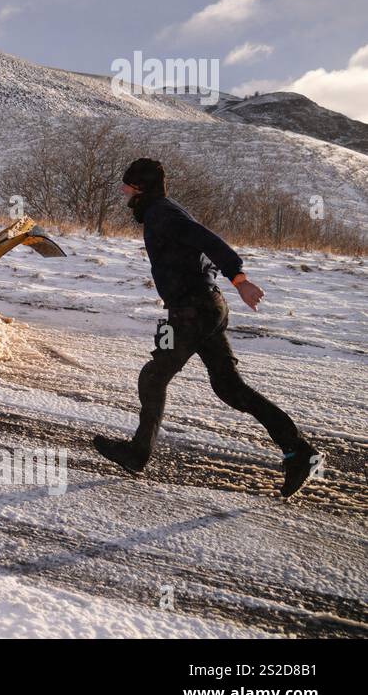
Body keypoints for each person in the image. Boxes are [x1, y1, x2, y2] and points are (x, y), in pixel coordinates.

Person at [93, 158, 321, 498]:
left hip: (193, 313)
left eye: (127, 185)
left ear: (140, 188)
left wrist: (239, 278)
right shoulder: (165, 210)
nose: (123, 191)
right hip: (201, 309)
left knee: (154, 375)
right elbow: (199, 252)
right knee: (229, 388)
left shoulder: (162, 214)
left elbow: (209, 241)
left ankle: (137, 454)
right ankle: (300, 452)